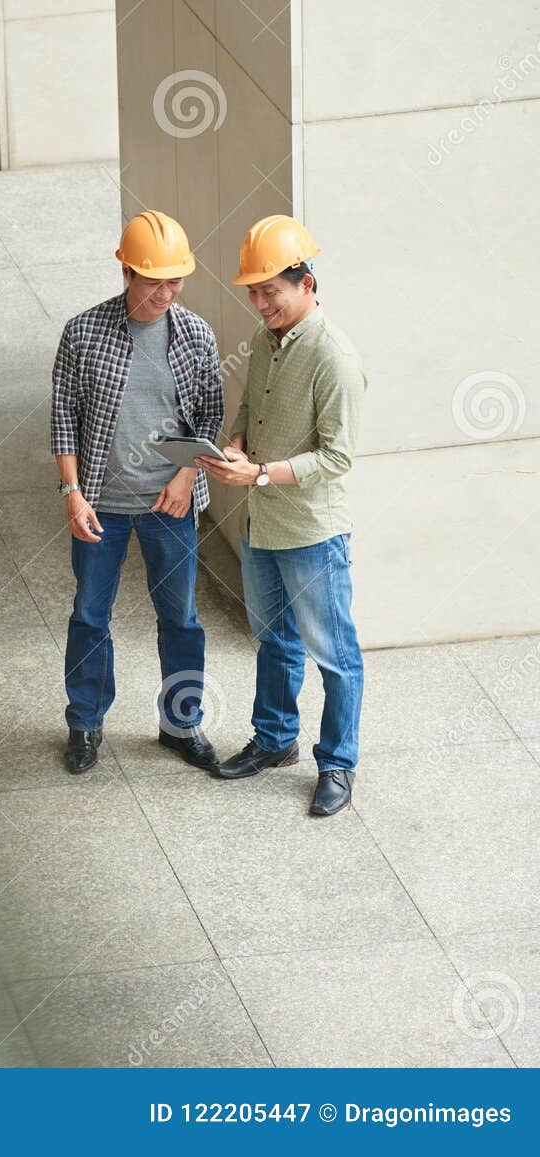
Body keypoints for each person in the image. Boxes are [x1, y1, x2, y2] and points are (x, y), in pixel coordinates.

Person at [195, 215, 367, 816]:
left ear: (306, 283)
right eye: (253, 292)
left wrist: (262, 474)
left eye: (270, 291)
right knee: (273, 639)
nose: (260, 303)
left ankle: (338, 764)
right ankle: (274, 740)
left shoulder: (334, 358)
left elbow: (338, 456)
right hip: (262, 524)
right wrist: (238, 445)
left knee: (335, 655)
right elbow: (249, 405)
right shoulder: (267, 342)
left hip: (312, 533)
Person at [51, 210, 224, 775]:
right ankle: (85, 723)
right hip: (100, 505)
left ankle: (181, 724)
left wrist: (185, 477)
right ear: (125, 271)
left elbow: (210, 418)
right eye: (154, 281)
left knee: (182, 619)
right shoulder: (82, 333)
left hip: (168, 505)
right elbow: (64, 420)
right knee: (90, 614)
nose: (166, 293)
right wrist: (73, 493)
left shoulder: (195, 335)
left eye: (176, 281)